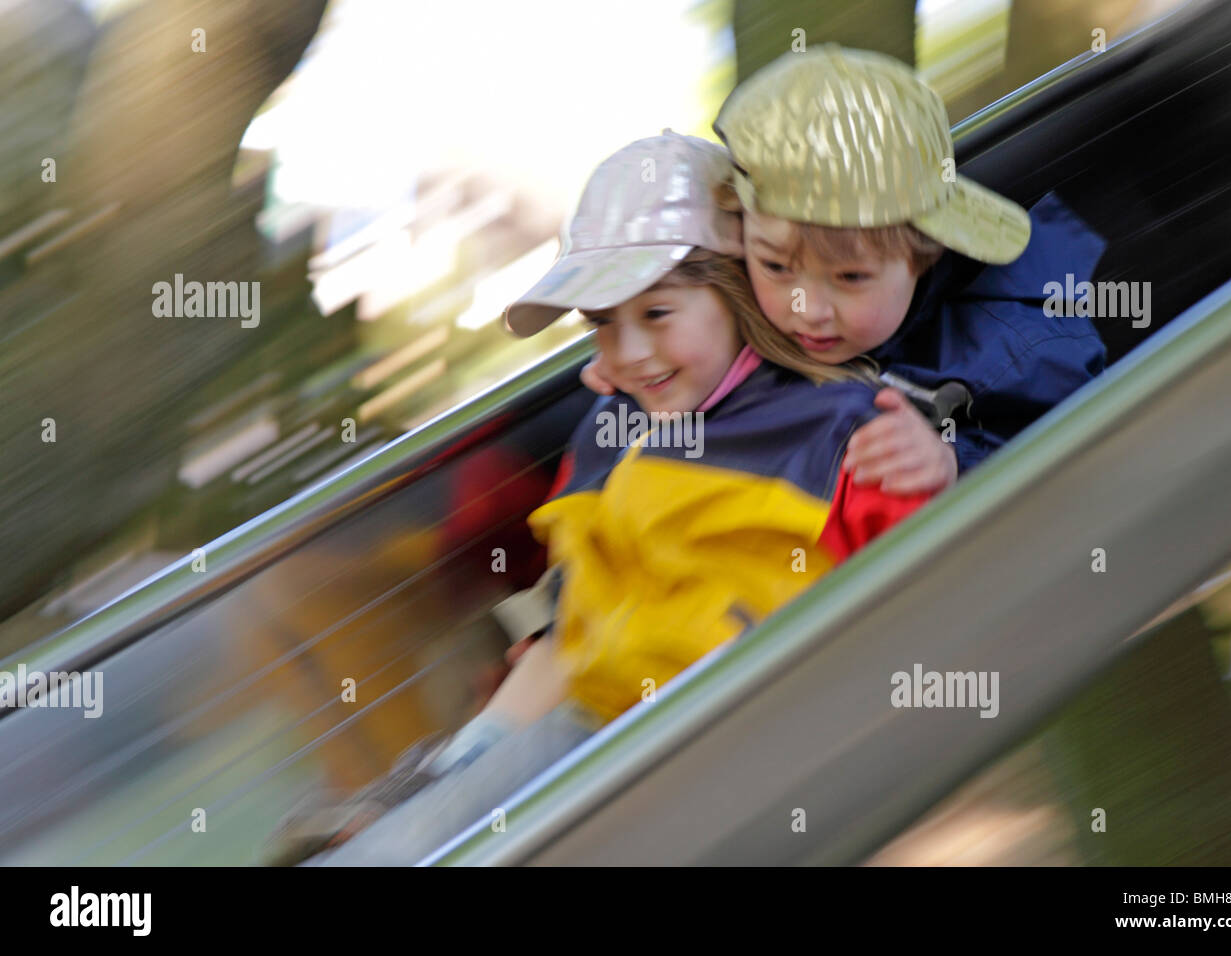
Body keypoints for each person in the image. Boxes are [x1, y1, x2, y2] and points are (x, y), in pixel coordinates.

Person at [291, 130, 929, 866]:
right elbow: (573, 625)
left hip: (723, 755)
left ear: (738, 290)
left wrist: (937, 462)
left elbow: (924, 583)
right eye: (602, 325)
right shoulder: (616, 430)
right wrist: (466, 761)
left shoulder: (839, 433)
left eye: (657, 314)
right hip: (591, 736)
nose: (626, 354)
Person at [583, 46, 1108, 497]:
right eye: (775, 266)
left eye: (850, 278)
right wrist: (636, 373)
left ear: (926, 248)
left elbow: (1089, 468)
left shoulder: (1022, 350)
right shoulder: (757, 305)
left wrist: (955, 464)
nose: (806, 310)